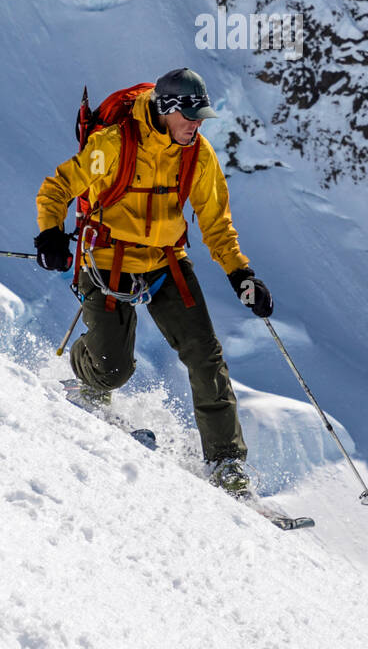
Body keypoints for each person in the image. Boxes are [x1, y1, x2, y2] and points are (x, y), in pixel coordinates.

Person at [34, 67, 273, 495]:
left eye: (201, 117)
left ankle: (226, 464)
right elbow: (58, 187)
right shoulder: (114, 144)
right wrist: (50, 233)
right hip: (107, 258)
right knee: (112, 370)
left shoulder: (198, 155)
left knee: (205, 355)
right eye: (190, 116)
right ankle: (87, 373)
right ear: (166, 109)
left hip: (165, 261)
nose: (196, 125)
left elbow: (216, 224)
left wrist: (241, 274)